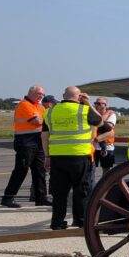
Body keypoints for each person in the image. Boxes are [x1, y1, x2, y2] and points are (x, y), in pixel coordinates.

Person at [42, 87, 103, 229]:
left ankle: (56, 222)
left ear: (63, 96)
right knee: (81, 190)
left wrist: (47, 155)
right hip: (79, 156)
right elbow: (100, 122)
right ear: (79, 97)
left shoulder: (50, 112)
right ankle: (80, 221)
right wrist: (88, 103)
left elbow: (44, 135)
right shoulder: (84, 110)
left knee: (59, 192)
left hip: (57, 157)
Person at [1, 85, 51, 208]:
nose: (41, 96)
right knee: (21, 169)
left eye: (43, 94)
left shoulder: (38, 106)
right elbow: (37, 121)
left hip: (38, 141)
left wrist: (43, 118)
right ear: (31, 93)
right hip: (25, 142)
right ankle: (8, 197)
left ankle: (41, 197)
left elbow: (46, 120)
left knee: (40, 170)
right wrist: (43, 118)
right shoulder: (24, 105)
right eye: (39, 93)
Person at [91, 97, 117, 180]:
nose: (96, 105)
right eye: (96, 103)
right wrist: (105, 116)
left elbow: (108, 127)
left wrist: (101, 119)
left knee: (106, 169)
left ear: (105, 105)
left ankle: (104, 189)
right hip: (94, 146)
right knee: (91, 169)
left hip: (107, 146)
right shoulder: (93, 114)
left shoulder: (112, 115)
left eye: (99, 103)